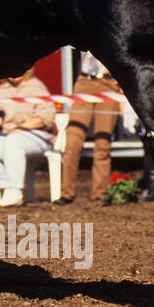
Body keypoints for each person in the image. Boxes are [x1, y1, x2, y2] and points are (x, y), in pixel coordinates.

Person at [0, 68, 56, 207]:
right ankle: (7, 185)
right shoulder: (2, 90)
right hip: (6, 134)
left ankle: (16, 190)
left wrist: (19, 128)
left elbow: (45, 118)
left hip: (37, 135)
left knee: (14, 142)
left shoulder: (37, 87)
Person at [57, 51, 124, 205]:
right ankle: (67, 193)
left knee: (103, 142)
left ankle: (100, 193)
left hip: (108, 83)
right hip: (85, 82)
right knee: (73, 140)